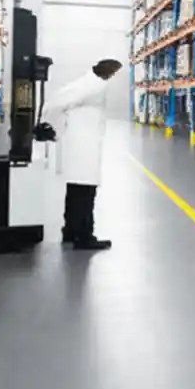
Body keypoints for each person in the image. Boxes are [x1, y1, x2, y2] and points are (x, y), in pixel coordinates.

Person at [47, 58, 123, 250]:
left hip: (82, 145)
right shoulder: (93, 86)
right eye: (113, 72)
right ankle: (84, 236)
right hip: (83, 146)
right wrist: (52, 128)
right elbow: (57, 102)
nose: (113, 76)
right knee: (86, 193)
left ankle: (71, 231)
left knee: (76, 191)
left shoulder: (89, 83)